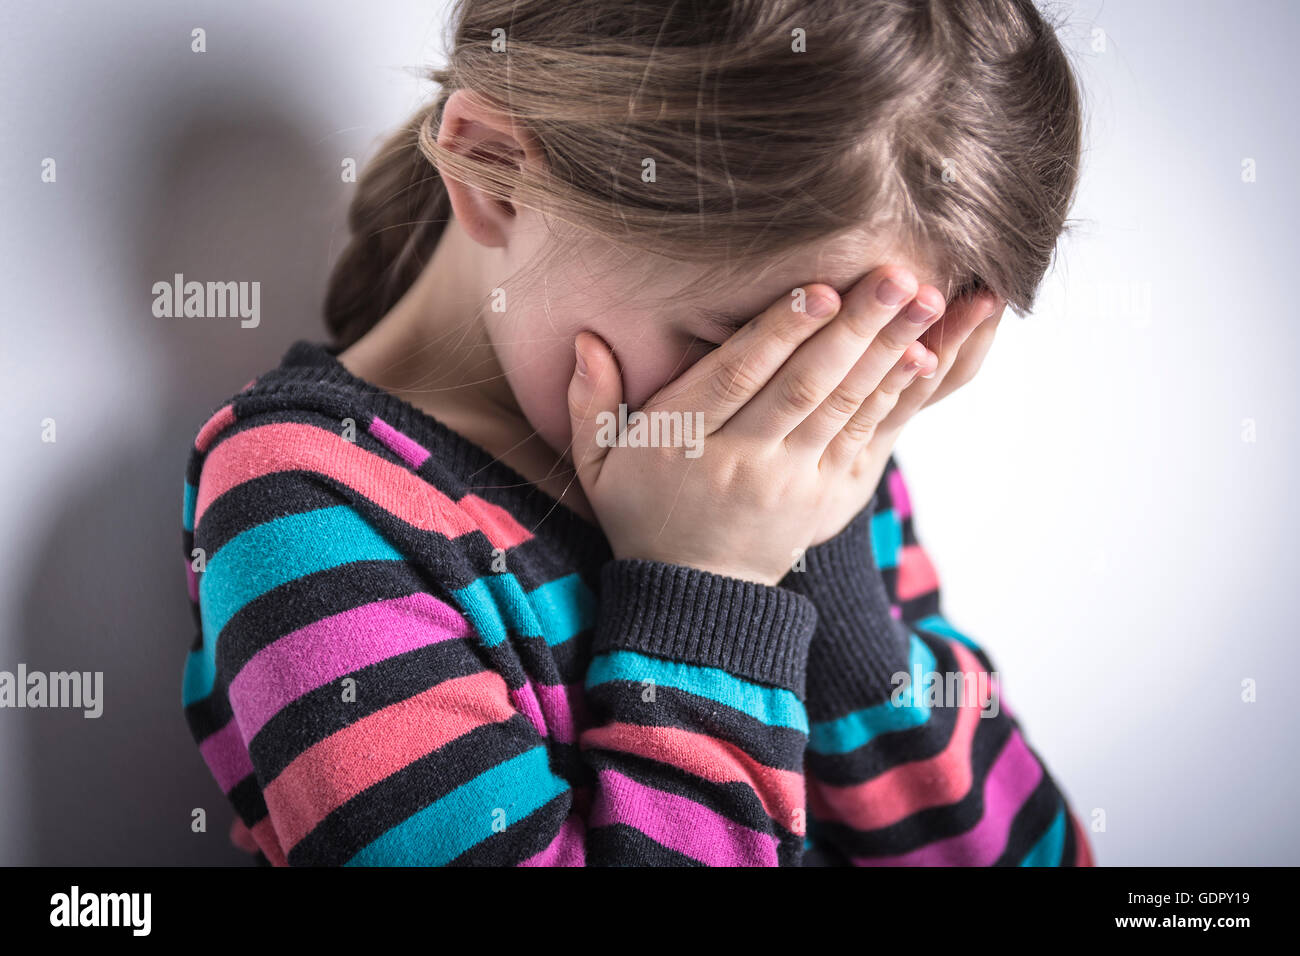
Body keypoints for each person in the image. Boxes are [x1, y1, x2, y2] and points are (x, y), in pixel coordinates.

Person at [180, 0, 1092, 866]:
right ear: (495, 172)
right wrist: (710, 585)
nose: (791, 420)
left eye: (860, 364)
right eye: (736, 345)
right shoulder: (311, 499)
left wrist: (825, 554)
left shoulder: (813, 471)